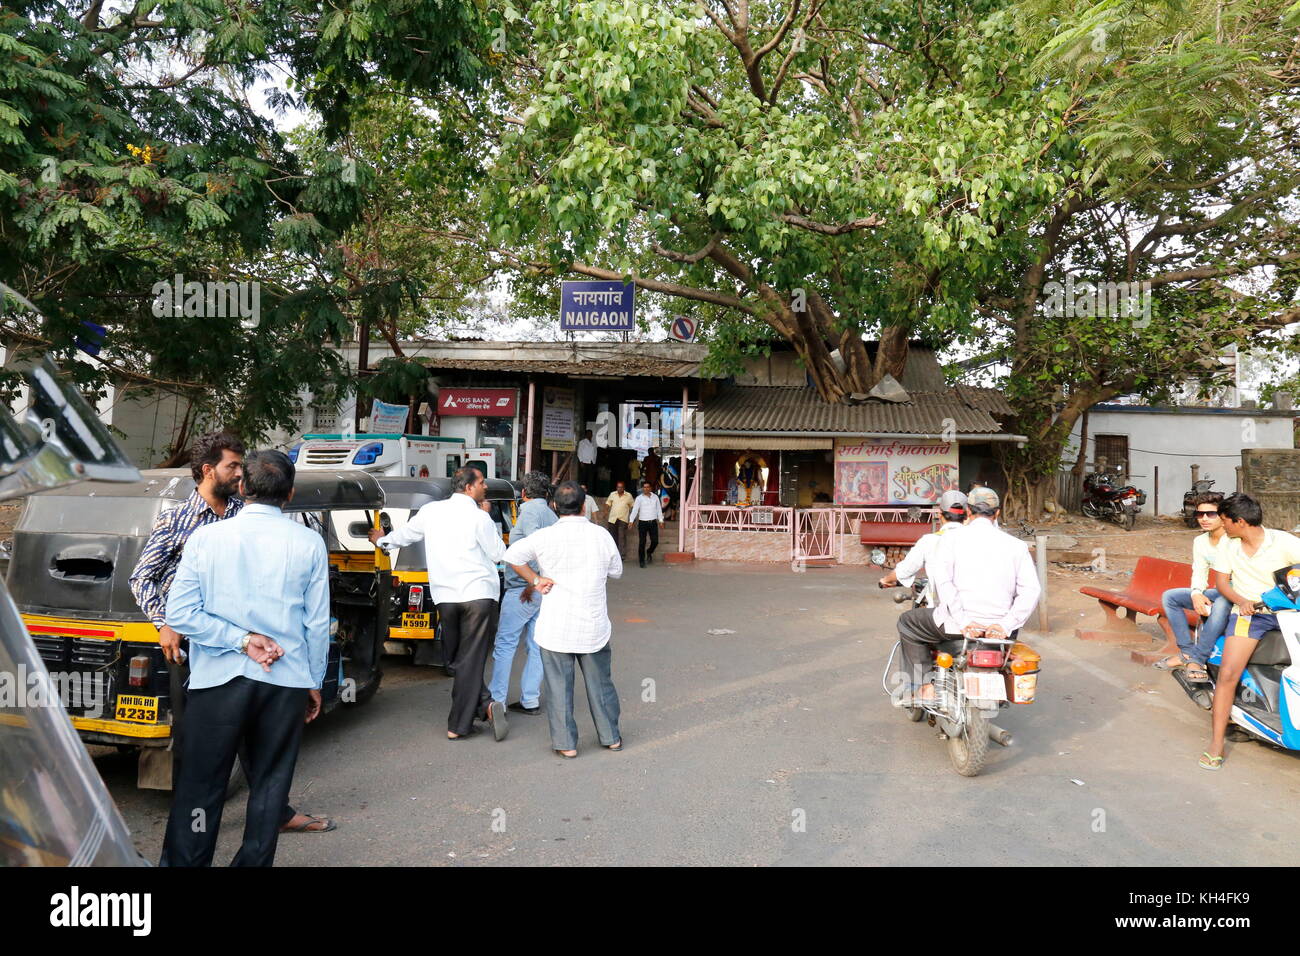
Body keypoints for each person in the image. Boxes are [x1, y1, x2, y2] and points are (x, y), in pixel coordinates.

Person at [129, 431, 331, 838]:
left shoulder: (244, 510)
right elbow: (142, 578)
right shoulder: (179, 521)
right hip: (197, 644)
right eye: (233, 465)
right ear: (210, 471)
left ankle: (273, 812)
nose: (240, 472)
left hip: (264, 660)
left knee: (258, 750)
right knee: (203, 756)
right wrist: (166, 622)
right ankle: (222, 823)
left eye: (242, 468)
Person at [370, 466, 509, 742]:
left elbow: (405, 535)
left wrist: (382, 540)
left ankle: (464, 720)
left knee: (456, 657)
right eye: (481, 483)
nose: (485, 487)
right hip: (478, 594)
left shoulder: (431, 512)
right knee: (464, 659)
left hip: (446, 596)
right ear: (468, 488)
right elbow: (498, 554)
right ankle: (481, 706)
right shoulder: (480, 518)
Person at [503, 480, 624, 757]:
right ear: (584, 505)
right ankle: (611, 737)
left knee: (558, 688)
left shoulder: (544, 537)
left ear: (554, 506)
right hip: (593, 626)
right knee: (601, 684)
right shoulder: (601, 536)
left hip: (556, 626)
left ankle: (566, 745)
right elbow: (616, 571)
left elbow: (511, 555)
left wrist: (536, 578)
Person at [894, 486, 1040, 705]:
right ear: (997, 513)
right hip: (999, 632)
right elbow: (1031, 590)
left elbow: (944, 584)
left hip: (955, 626)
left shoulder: (950, 541)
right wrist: (1006, 624)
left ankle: (926, 688)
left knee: (907, 623)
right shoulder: (1017, 547)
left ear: (969, 513)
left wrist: (963, 621)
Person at [1200, 493, 1300, 770]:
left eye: (1224, 520)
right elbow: (1221, 583)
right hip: (1250, 615)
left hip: (1290, 613)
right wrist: (1242, 601)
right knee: (1229, 674)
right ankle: (1216, 742)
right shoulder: (1229, 546)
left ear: (1239, 521)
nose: (1222, 525)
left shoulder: (1284, 542)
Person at [489, 471, 556, 716]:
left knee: (505, 644)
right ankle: (530, 699)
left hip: (523, 589)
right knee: (536, 646)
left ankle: (496, 701)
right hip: (544, 591)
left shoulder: (529, 511)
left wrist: (532, 582)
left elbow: (533, 546)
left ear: (524, 493)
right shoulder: (551, 514)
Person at [1155, 492, 1231, 679]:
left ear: (1223, 516)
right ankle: (1187, 652)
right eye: (1200, 514)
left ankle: (1199, 657)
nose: (1204, 519)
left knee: (1221, 603)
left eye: (1210, 514)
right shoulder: (1200, 541)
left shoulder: (1233, 539)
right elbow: (1199, 571)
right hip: (1219, 591)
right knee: (1170, 596)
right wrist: (1197, 593)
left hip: (1240, 593)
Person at [878, 489, 968, 605]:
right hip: (974, 611)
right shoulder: (977, 540)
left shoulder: (929, 541)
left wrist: (885, 580)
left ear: (940, 514)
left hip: (940, 613)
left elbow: (905, 570)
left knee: (905, 620)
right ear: (966, 516)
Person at [628, 480, 665, 568]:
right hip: (642, 523)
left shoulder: (655, 497)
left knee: (655, 541)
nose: (646, 489)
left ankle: (649, 552)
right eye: (644, 487)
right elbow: (635, 510)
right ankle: (641, 561)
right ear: (642, 488)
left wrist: (661, 520)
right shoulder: (639, 498)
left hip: (653, 522)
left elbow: (659, 509)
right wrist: (631, 521)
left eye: (648, 487)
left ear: (650, 488)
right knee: (642, 542)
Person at [604, 479, 634, 558]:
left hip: (623, 519)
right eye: (618, 487)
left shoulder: (629, 495)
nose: (619, 489)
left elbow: (633, 506)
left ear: (624, 488)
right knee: (612, 537)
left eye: (621, 487)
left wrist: (631, 519)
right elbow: (608, 503)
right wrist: (605, 511)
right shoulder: (612, 494)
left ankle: (622, 555)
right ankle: (613, 554)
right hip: (612, 519)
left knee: (622, 537)